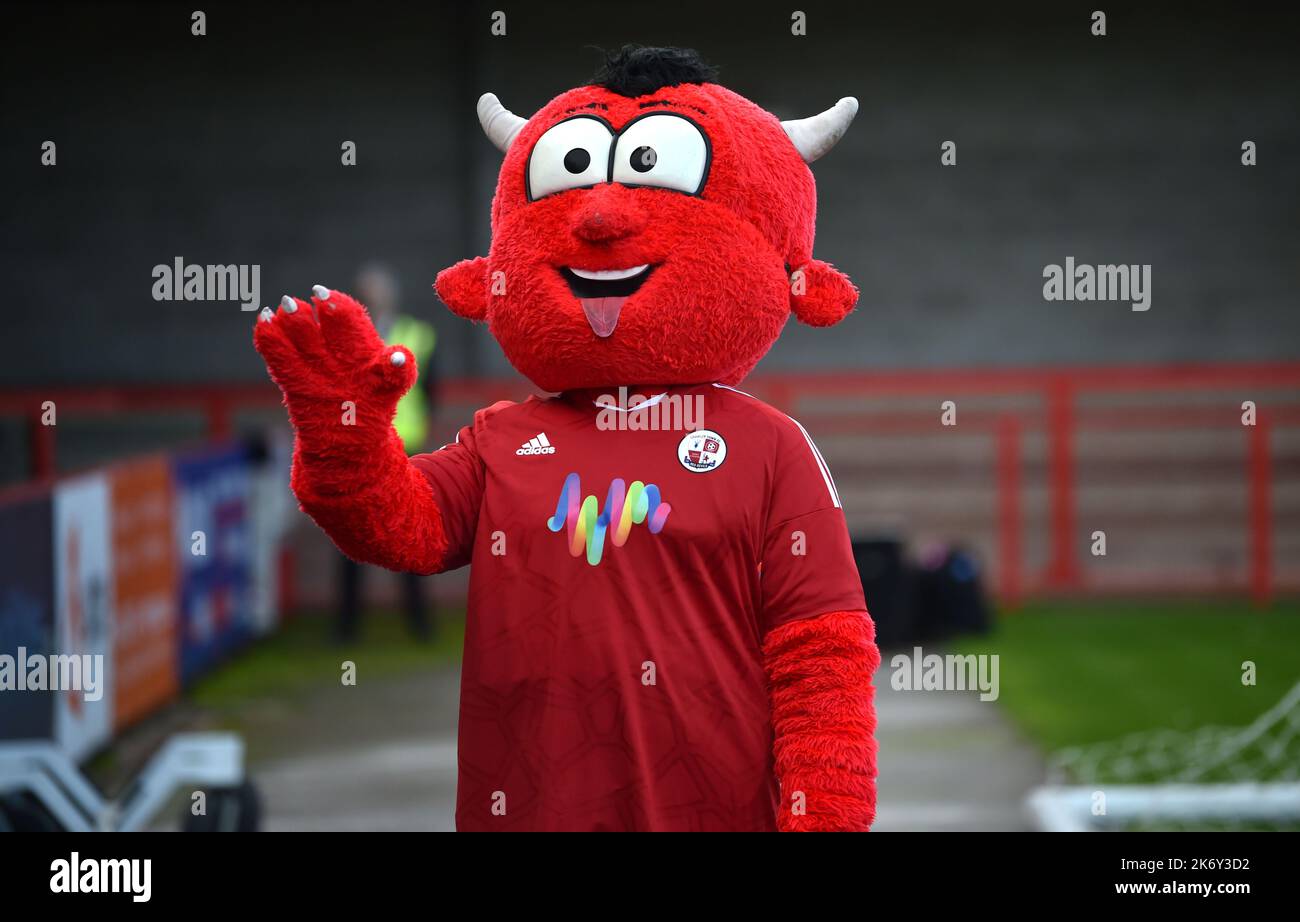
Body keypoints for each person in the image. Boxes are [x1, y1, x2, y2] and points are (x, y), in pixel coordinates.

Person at [256, 46, 878, 830]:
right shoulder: (500, 441)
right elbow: (398, 527)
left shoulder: (771, 451)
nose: (602, 216)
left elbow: (821, 655)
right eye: (573, 178)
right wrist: (342, 436)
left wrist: (825, 817)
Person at [334, 263, 438, 642]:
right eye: (366, 291)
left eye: (377, 291)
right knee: (352, 535)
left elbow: (431, 391)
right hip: (359, 448)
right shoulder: (344, 338)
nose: (373, 299)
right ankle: (346, 627)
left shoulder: (417, 335)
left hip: (405, 448)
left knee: (408, 533)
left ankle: (419, 623)